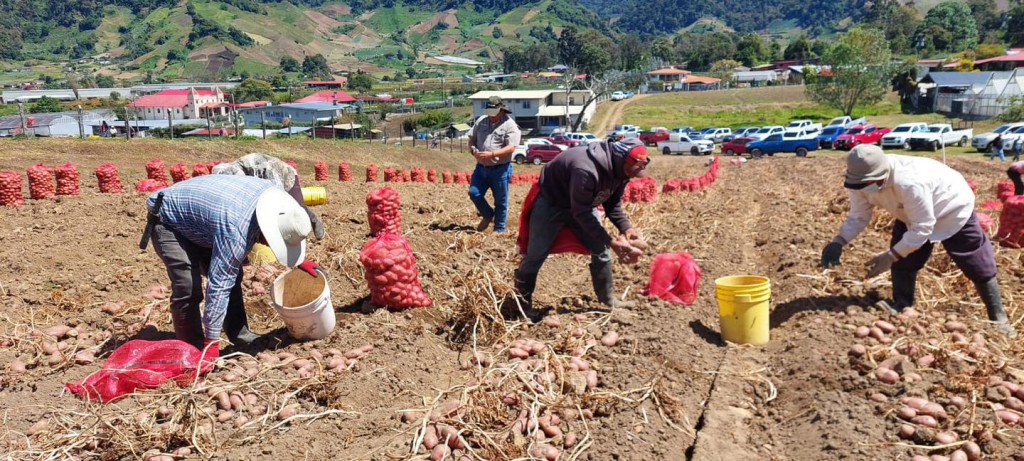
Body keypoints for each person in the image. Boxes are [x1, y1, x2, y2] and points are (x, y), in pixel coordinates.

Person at [821, 145, 1016, 337]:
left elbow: (923, 227)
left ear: (883, 172)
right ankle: (902, 305)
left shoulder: (910, 181)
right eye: (863, 184)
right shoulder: (860, 182)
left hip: (951, 208)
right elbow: (858, 216)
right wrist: (839, 241)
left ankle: (998, 317)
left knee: (975, 260)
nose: (867, 188)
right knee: (904, 260)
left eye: (871, 182)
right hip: (910, 212)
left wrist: (890, 256)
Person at [140, 175, 323, 355]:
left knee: (233, 274)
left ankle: (239, 335)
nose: (270, 246)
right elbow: (219, 285)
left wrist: (299, 260)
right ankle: (193, 351)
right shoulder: (236, 232)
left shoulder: (275, 199)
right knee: (188, 286)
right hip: (169, 220)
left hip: (207, 220)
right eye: (274, 243)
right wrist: (212, 341)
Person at [513, 137, 650, 321]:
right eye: (632, 170)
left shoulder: (622, 172)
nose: (632, 175)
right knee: (536, 254)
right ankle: (522, 305)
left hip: (583, 204)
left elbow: (612, 204)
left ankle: (607, 299)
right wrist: (611, 241)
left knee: (601, 250)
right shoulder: (586, 169)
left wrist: (627, 229)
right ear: (622, 160)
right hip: (552, 203)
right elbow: (582, 213)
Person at [212, 153, 325, 240]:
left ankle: (313, 220)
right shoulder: (237, 172)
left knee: (297, 206)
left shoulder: (239, 173)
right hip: (265, 177)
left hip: (285, 175)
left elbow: (275, 194)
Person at [468, 95, 521, 233]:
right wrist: (473, 150)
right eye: (490, 113)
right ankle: (487, 214)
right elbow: (471, 140)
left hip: (500, 169)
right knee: (474, 193)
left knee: (501, 202)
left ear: (502, 111)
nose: (491, 116)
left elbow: (511, 148)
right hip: (481, 168)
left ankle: (499, 230)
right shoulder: (481, 121)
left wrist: (492, 154)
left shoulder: (510, 125)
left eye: (495, 113)